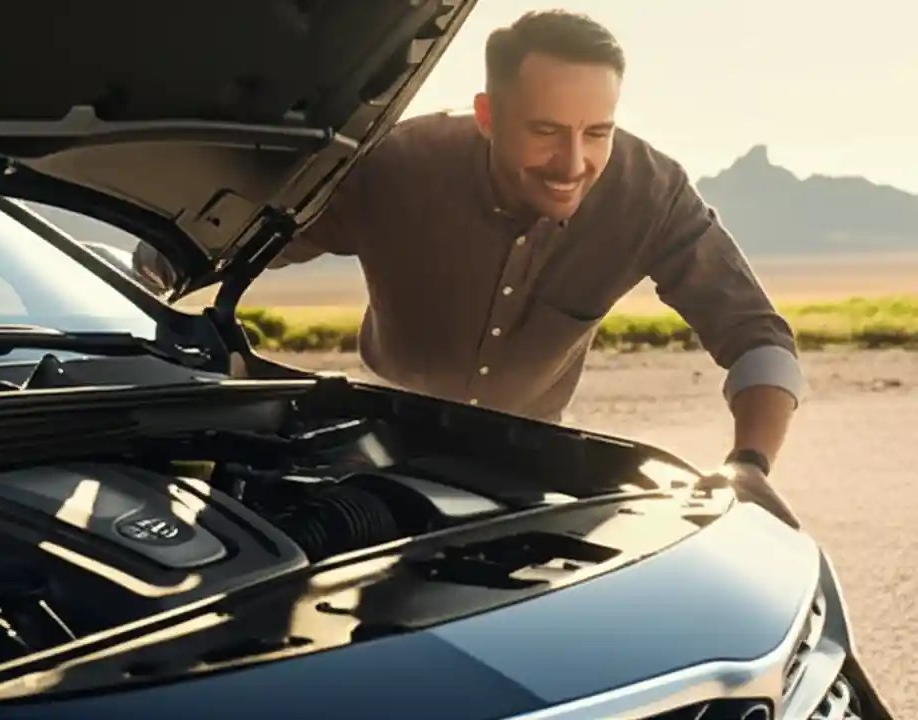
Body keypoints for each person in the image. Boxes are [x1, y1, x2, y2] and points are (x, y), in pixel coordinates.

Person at [139, 10, 806, 524]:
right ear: (488, 116)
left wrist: (750, 465)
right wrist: (152, 272)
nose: (573, 163)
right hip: (381, 435)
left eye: (596, 132)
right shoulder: (395, 167)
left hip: (532, 454)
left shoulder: (651, 192)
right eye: (545, 131)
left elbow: (759, 340)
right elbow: (220, 243)